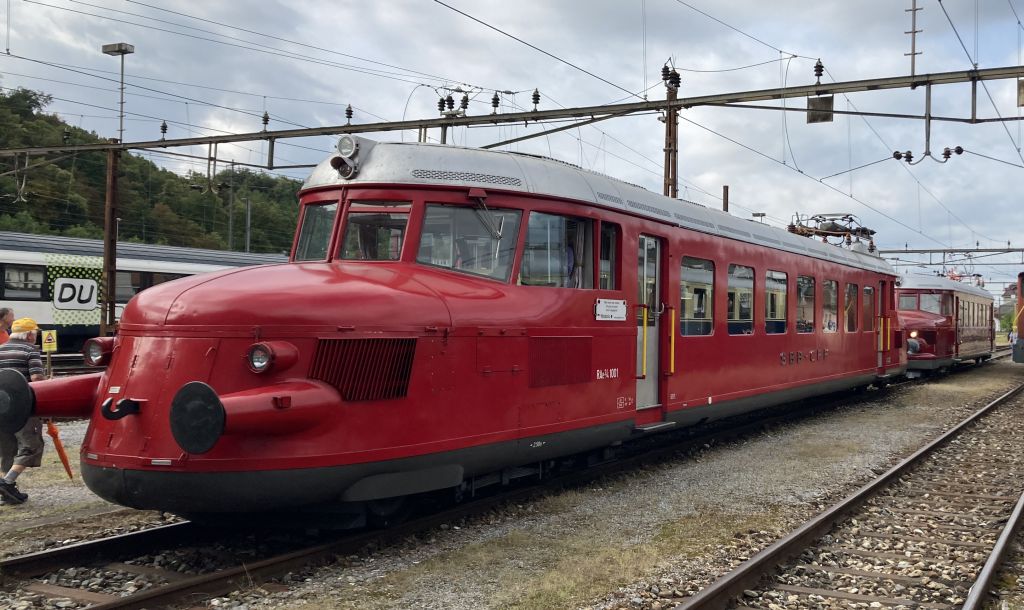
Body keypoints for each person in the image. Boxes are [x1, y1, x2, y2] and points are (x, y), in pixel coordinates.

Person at [0, 318, 46, 505]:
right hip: (24, 407)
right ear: (28, 335)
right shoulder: (30, 350)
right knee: (32, 446)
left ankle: (6, 493)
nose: (35, 337)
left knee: (6, 449)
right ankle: (7, 482)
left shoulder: (0, 349)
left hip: (2, 407)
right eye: (35, 333)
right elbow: (36, 379)